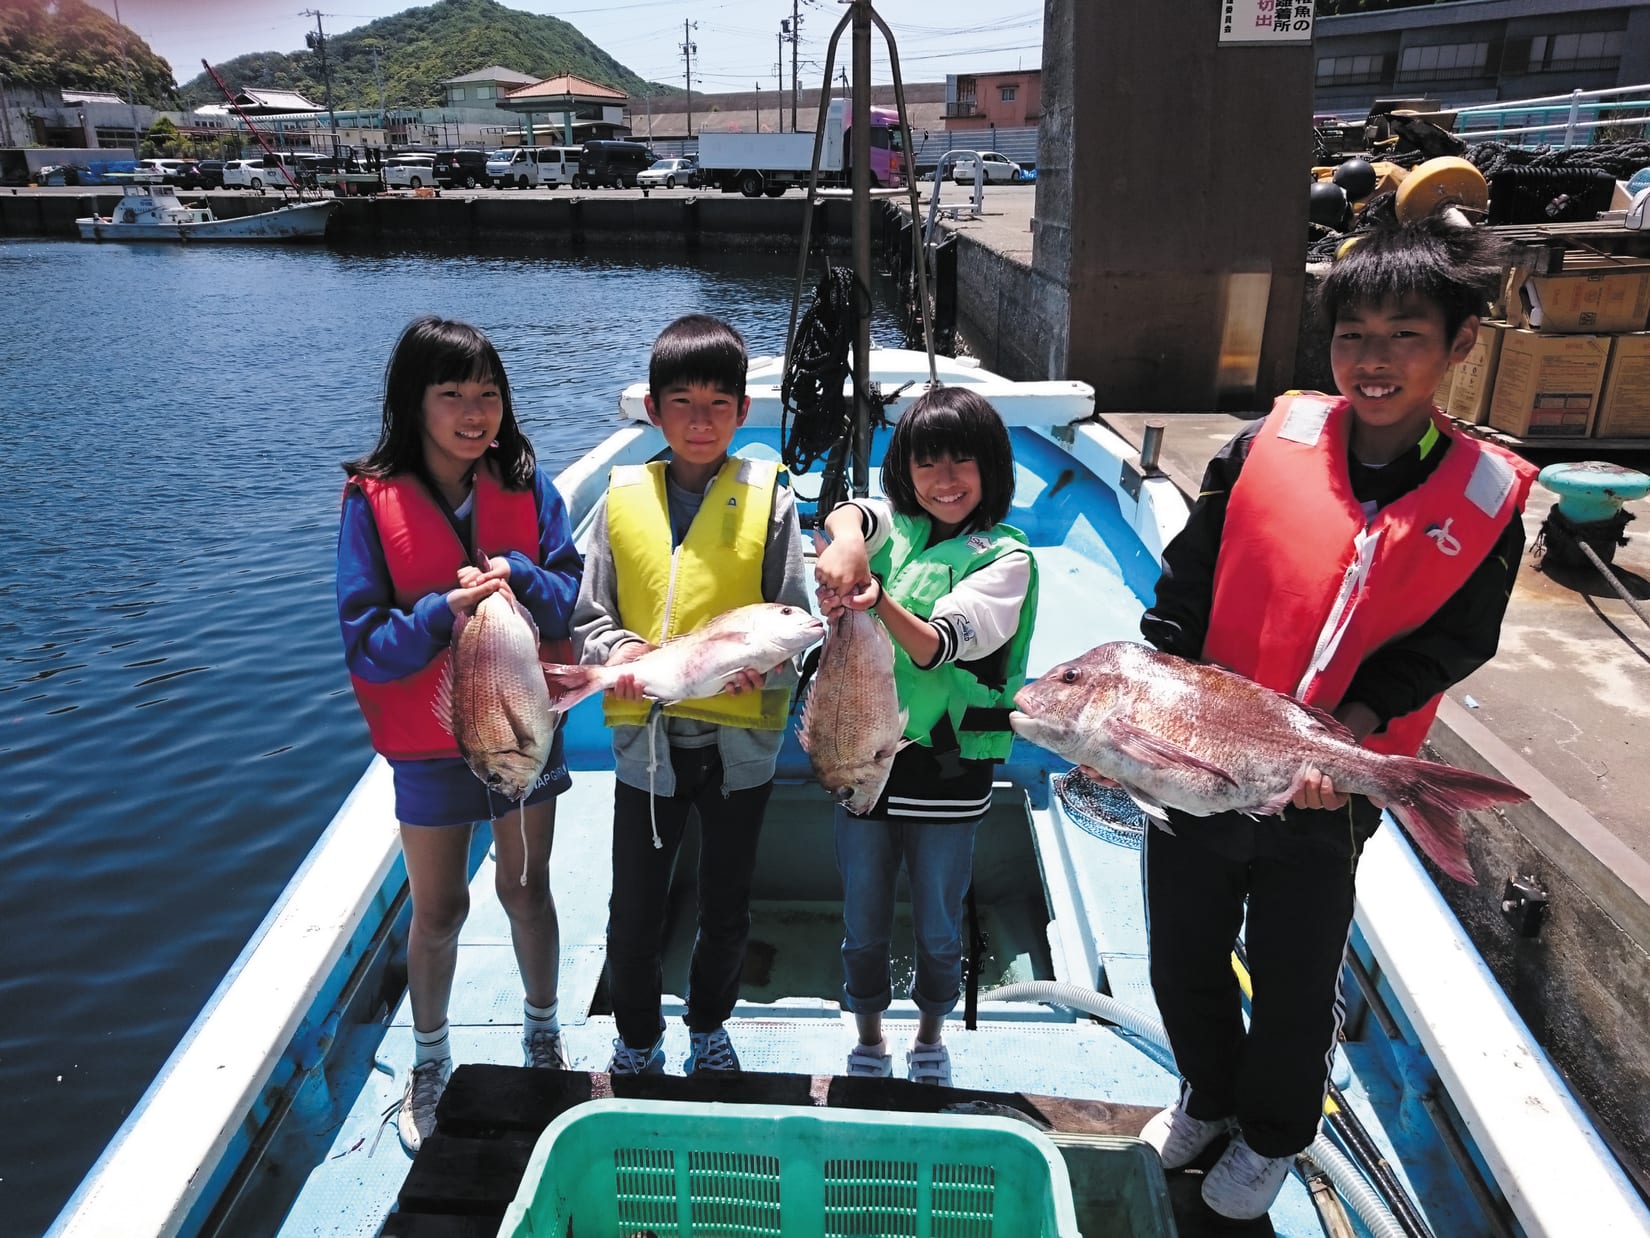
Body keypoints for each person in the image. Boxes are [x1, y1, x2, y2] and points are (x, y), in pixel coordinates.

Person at [1131, 216, 1536, 1219]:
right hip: (1203, 762)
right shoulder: (1257, 447)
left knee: (1296, 971)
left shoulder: (1485, 497)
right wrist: (1156, 690)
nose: (1375, 358)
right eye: (1354, 333)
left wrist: (1349, 728)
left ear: (1459, 344)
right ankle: (1207, 1093)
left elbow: (1454, 642)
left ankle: (1272, 1132)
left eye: (1406, 333)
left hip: (1329, 784)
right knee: (1181, 948)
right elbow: (1185, 586)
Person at [337, 316, 582, 1153]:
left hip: (520, 730)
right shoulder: (372, 505)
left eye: (488, 394)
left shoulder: (528, 485)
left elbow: (567, 591)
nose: (475, 413)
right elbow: (366, 645)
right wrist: (442, 612)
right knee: (439, 907)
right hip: (432, 748)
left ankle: (542, 1032)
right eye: (453, 395)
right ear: (414, 403)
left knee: (527, 889)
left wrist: (524, 579)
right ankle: (431, 1058)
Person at [573, 314, 809, 1076]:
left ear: (744, 413)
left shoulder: (771, 497)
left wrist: (765, 671)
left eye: (718, 404)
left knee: (727, 906)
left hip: (740, 756)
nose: (699, 421)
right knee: (633, 913)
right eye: (681, 402)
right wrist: (621, 654)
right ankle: (637, 1039)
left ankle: (709, 1025)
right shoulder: (618, 501)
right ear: (653, 410)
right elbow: (588, 616)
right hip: (646, 753)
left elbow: (797, 621)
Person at [813, 387, 1039, 1087]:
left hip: (947, 774)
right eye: (926, 464)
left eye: (961, 463)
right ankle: (871, 1039)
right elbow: (851, 512)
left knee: (940, 926)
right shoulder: (895, 525)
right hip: (862, 766)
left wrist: (875, 599)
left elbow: (938, 646)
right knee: (863, 920)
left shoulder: (1007, 559)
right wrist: (848, 542)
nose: (944, 481)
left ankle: (932, 1037)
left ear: (991, 469)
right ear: (905, 473)